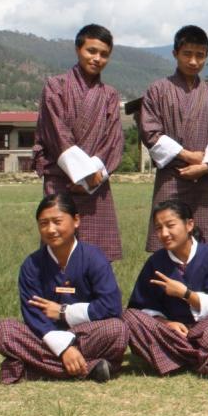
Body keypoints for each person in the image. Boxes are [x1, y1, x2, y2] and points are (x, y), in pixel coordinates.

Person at [0, 193, 127, 384]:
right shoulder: (32, 265)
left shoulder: (94, 257)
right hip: (44, 335)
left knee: (117, 329)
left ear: (76, 220)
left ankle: (34, 369)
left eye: (57, 221)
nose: (51, 229)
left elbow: (111, 306)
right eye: (43, 223)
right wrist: (64, 348)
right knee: (3, 331)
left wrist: (64, 312)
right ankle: (90, 367)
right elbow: (33, 315)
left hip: (87, 335)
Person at [123, 200, 208, 379]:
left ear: (189, 224)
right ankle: (202, 358)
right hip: (173, 336)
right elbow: (141, 306)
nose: (164, 233)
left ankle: (178, 359)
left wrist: (186, 294)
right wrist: (166, 324)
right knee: (129, 317)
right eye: (158, 228)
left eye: (170, 225)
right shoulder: (155, 262)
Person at [33, 24, 125, 260]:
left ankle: (98, 298)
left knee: (97, 256)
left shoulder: (110, 95)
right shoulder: (55, 86)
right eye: (91, 51)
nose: (97, 59)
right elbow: (56, 133)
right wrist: (82, 174)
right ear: (77, 49)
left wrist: (94, 175)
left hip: (97, 183)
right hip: (61, 180)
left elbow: (113, 140)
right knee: (58, 250)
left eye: (104, 54)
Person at [137, 25, 208, 251]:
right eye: (187, 54)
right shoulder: (157, 90)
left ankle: (201, 287)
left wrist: (205, 167)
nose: (193, 61)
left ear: (206, 56)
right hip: (171, 177)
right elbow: (150, 133)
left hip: (202, 179)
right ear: (175, 53)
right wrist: (188, 156)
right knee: (167, 240)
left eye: (200, 55)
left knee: (206, 245)